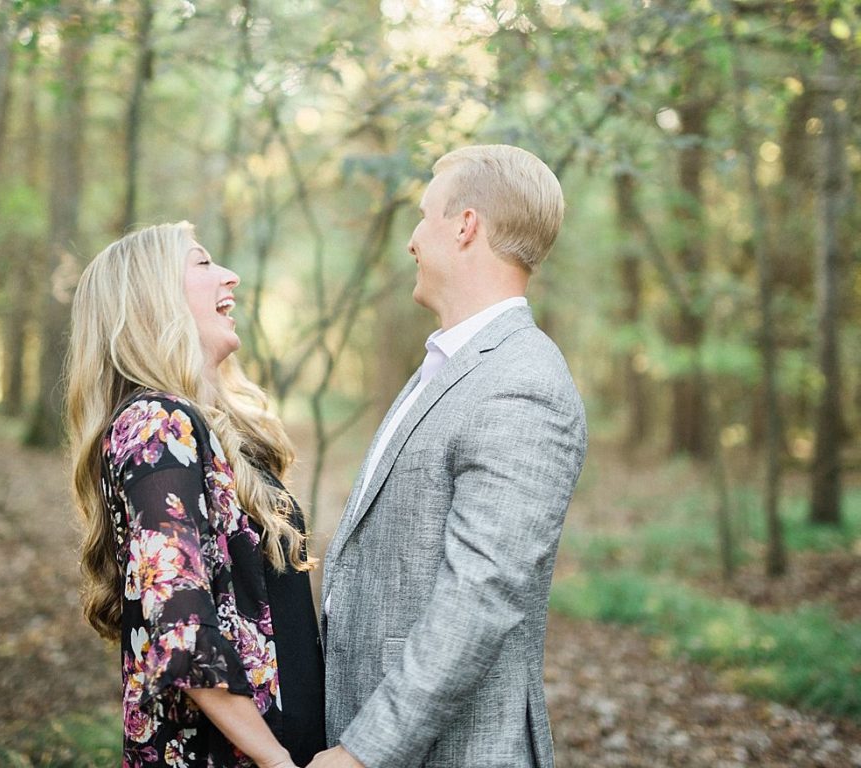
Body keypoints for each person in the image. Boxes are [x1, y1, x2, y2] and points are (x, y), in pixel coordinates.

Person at [309, 145, 588, 768]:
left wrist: (361, 753)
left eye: (423, 215)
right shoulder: (449, 365)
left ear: (466, 226)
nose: (411, 239)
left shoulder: (523, 383)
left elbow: (479, 599)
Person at [66, 222, 325, 768]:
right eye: (203, 264)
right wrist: (276, 761)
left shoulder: (207, 430)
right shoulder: (156, 425)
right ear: (153, 298)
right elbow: (182, 630)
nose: (229, 275)